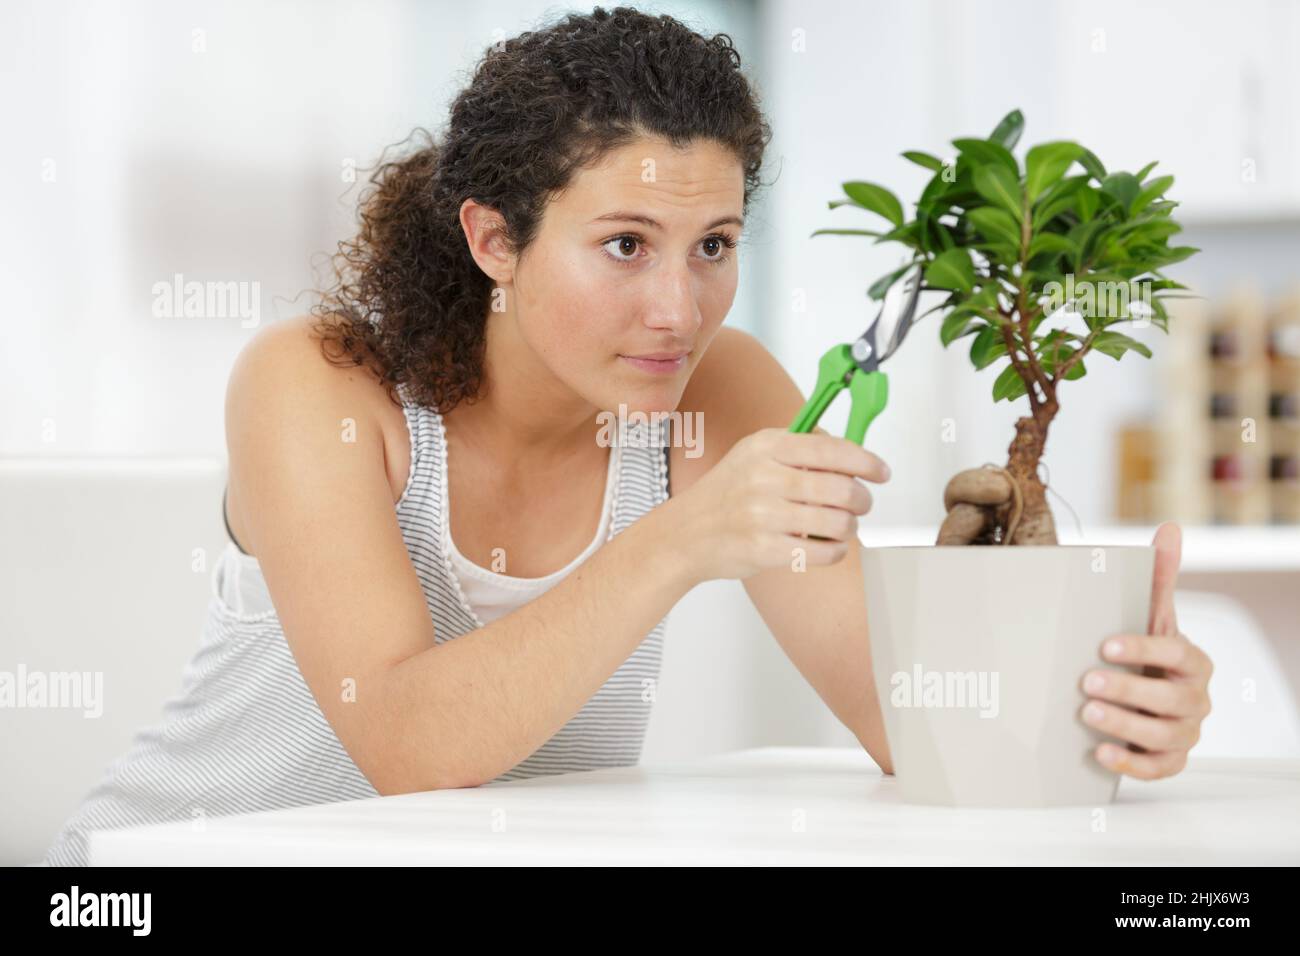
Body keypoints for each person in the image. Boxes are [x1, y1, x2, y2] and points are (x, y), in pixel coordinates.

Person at [41, 5, 1212, 866]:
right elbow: (408, 746)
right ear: (494, 241)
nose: (680, 308)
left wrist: (1108, 708)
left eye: (713, 243)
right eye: (624, 245)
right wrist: (678, 540)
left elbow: (912, 718)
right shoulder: (322, 387)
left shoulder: (725, 388)